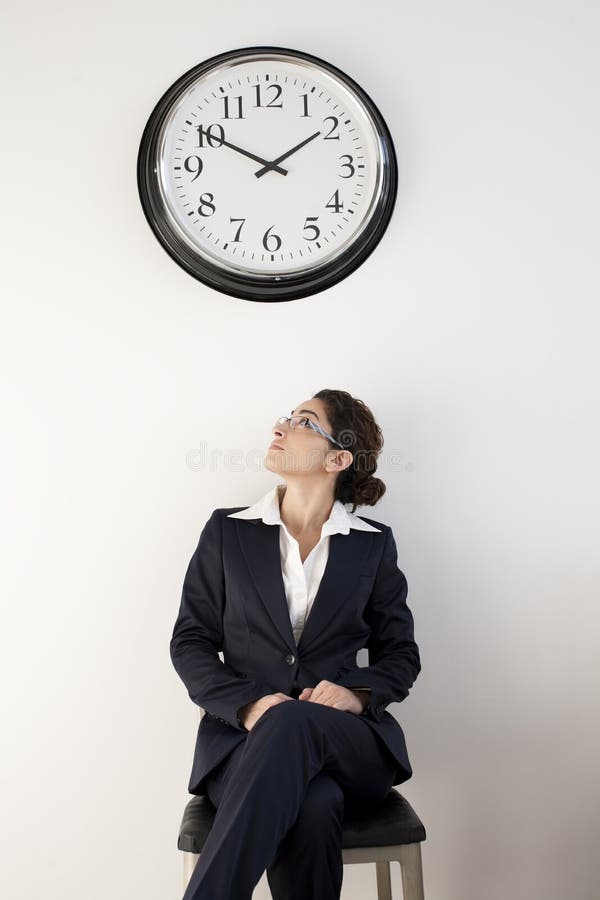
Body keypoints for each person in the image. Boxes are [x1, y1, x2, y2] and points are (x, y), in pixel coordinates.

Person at [170, 388, 422, 900]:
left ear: (338, 458)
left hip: (348, 742)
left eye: (304, 421)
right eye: (286, 416)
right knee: (313, 803)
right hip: (243, 745)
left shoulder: (373, 545)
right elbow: (190, 642)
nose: (280, 426)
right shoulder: (227, 533)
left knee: (297, 731)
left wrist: (357, 694)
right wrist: (250, 705)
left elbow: (401, 654)